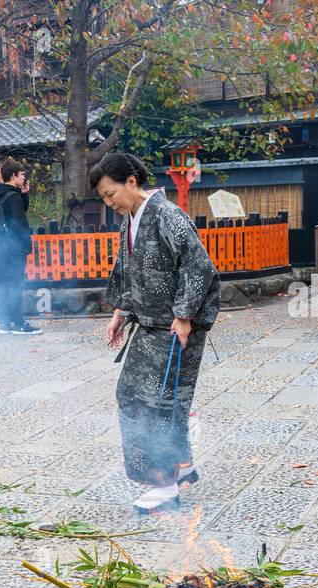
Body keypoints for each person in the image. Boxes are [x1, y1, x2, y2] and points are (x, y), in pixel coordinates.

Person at [92, 152, 220, 514]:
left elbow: (199, 266)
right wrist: (120, 311)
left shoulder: (167, 215)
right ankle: (181, 464)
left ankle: (163, 484)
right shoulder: (130, 219)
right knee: (140, 396)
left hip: (175, 327)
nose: (109, 202)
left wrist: (184, 315)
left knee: (154, 404)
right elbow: (128, 269)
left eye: (109, 193)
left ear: (130, 181)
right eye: (103, 198)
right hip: (148, 325)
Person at [0, 159, 39, 335]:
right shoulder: (13, 197)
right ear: (14, 175)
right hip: (12, 250)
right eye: (22, 174)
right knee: (15, 284)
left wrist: (23, 195)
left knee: (3, 285)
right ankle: (18, 323)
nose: (24, 177)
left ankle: (6, 323)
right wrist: (26, 246)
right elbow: (19, 224)